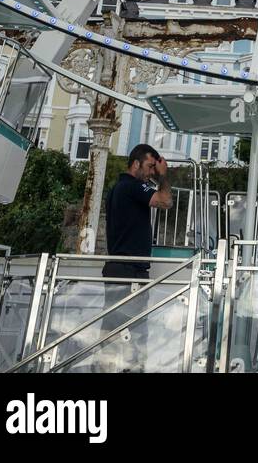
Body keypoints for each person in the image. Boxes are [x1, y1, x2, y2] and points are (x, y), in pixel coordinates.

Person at [100, 144, 172, 371]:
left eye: (154, 168)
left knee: (117, 326)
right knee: (133, 329)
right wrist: (163, 177)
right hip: (127, 270)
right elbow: (165, 201)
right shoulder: (131, 186)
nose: (152, 171)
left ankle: (109, 367)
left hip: (123, 268)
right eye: (150, 166)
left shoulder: (120, 188)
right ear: (136, 163)